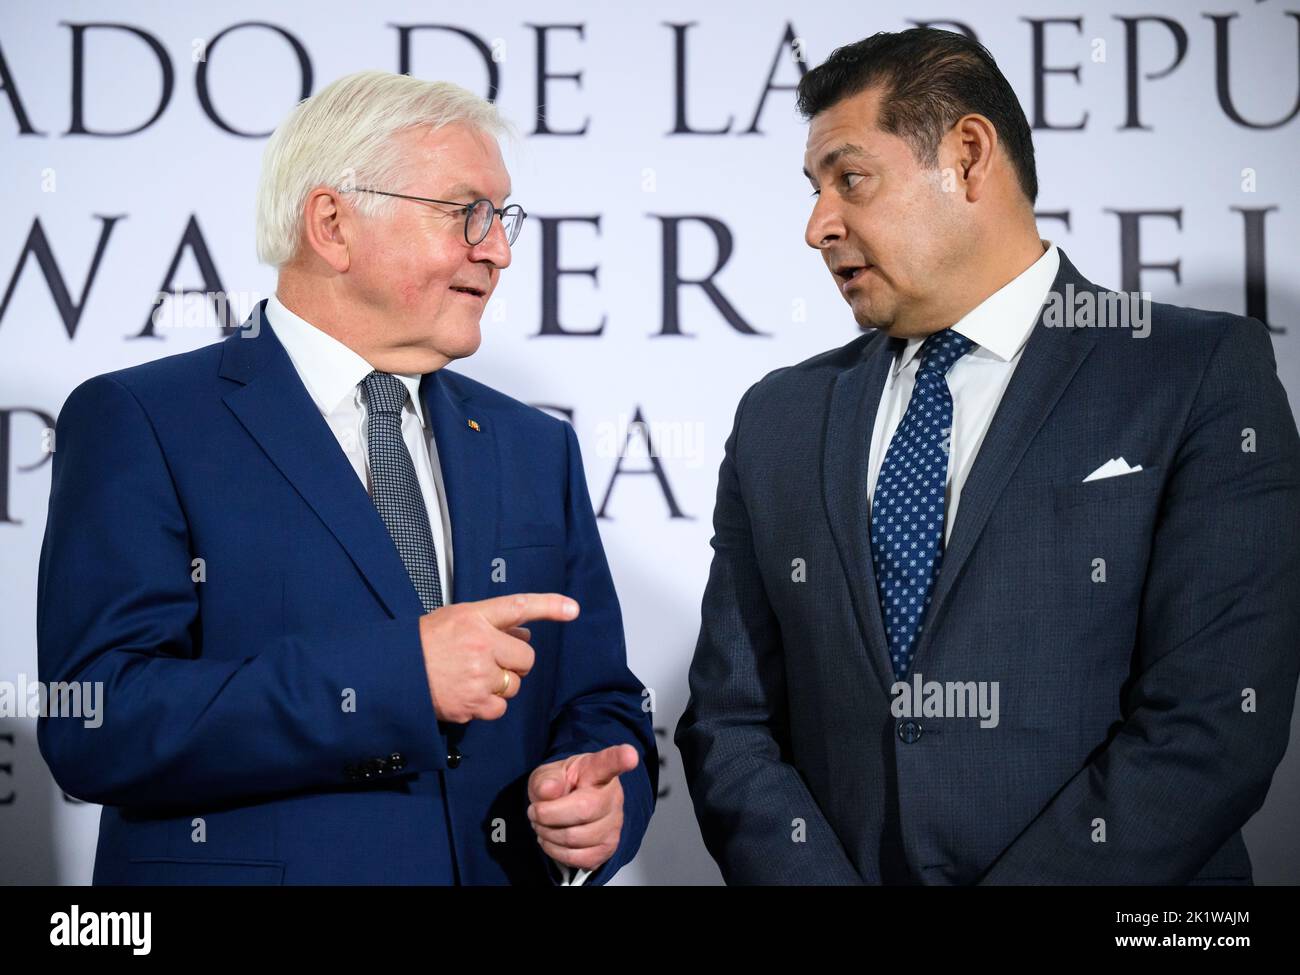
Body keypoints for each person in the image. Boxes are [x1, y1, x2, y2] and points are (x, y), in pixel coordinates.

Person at [676, 28, 1300, 884]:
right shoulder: (778, 417)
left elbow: (1213, 720)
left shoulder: (1195, 372)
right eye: (815, 189)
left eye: (849, 179)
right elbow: (728, 719)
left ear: (968, 157)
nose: (819, 225)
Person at [37, 70, 656, 885]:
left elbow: (602, 699)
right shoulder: (144, 420)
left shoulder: (533, 445)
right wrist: (399, 677)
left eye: (503, 218)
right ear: (332, 223)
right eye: (466, 211)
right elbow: (100, 719)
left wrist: (601, 799)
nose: (498, 250)